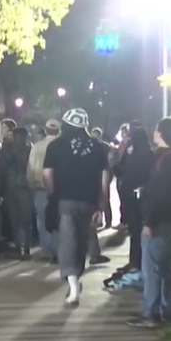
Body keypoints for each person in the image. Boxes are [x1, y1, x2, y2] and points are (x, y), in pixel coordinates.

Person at [124, 118, 171, 329]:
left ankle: (151, 313)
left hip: (161, 220)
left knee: (152, 268)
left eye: (156, 130)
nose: (154, 133)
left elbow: (161, 195)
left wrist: (149, 222)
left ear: (162, 134)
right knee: (165, 267)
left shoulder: (167, 160)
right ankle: (169, 311)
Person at [43, 108, 109, 305]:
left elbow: (47, 175)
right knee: (81, 242)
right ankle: (76, 278)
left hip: (65, 200)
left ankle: (72, 284)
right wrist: (101, 205)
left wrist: (52, 195)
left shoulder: (56, 146)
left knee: (68, 241)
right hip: (89, 201)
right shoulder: (97, 147)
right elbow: (104, 179)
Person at [118, 125, 155, 270]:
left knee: (135, 231)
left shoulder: (130, 154)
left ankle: (135, 260)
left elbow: (121, 170)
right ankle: (143, 260)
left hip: (131, 196)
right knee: (144, 229)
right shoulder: (151, 154)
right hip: (145, 195)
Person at [28, 119, 60, 261]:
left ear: (45, 130)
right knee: (58, 219)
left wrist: (31, 184)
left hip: (40, 187)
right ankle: (58, 248)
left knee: (42, 219)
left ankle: (46, 248)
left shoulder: (37, 146)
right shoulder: (62, 145)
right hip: (59, 188)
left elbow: (31, 168)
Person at [0, 127, 34, 259]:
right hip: (14, 188)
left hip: (21, 188)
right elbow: (2, 167)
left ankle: (24, 248)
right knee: (16, 220)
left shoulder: (27, 151)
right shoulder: (10, 150)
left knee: (23, 220)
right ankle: (21, 248)